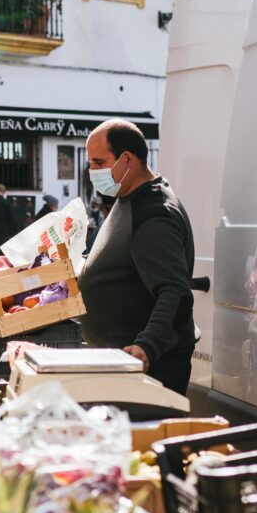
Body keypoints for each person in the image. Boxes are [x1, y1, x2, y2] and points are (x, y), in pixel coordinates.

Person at [79, 120, 197, 395]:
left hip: (146, 367)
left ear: (127, 159)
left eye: (98, 162)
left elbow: (175, 292)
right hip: (118, 361)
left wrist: (147, 346)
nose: (92, 171)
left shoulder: (154, 215)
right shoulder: (128, 198)